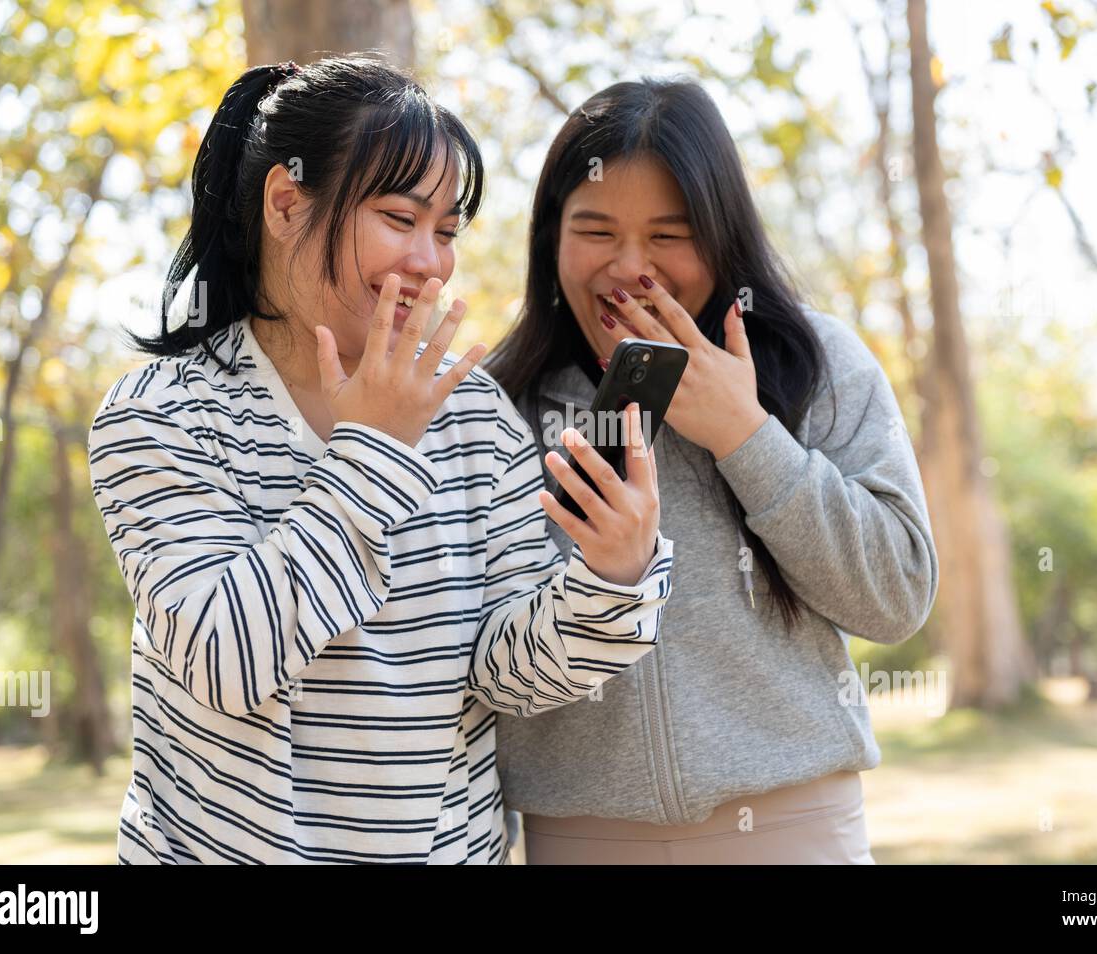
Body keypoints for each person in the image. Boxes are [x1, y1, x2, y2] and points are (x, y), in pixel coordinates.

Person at [87, 55, 673, 865]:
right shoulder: (162, 413)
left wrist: (611, 576)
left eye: (446, 232)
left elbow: (509, 676)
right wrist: (371, 454)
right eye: (401, 219)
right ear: (288, 203)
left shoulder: (472, 414)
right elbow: (225, 657)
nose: (430, 263)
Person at [487, 79, 938, 864]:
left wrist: (747, 435)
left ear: (724, 235)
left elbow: (897, 594)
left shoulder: (816, 363)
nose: (632, 268)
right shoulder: (496, 405)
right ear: (551, 237)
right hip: (579, 840)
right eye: (595, 230)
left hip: (795, 833)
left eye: (671, 234)